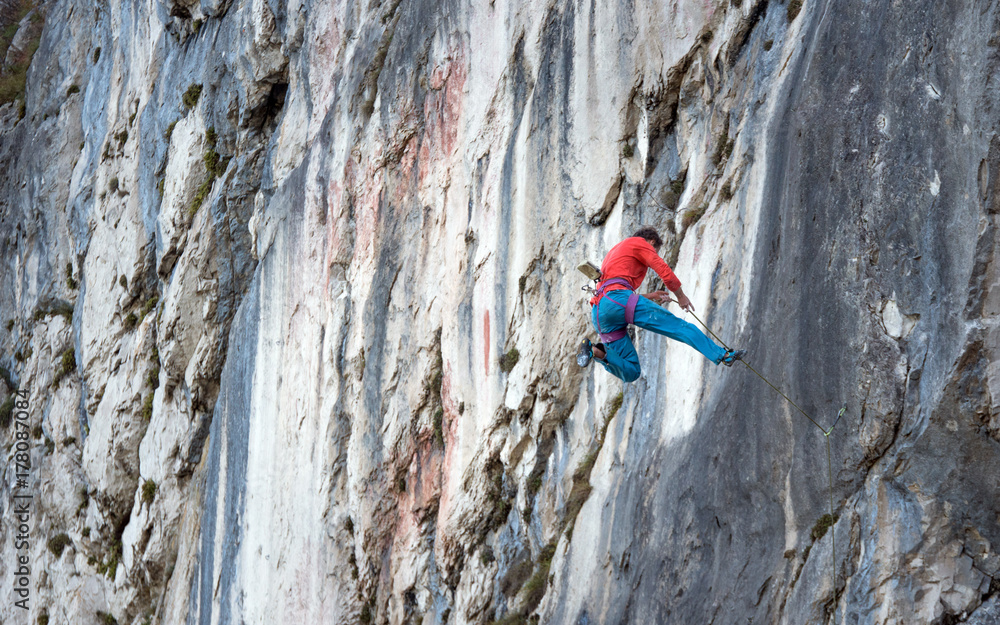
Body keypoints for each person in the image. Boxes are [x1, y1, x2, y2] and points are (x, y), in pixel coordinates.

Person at [577, 226, 745, 383]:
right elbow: (663, 270)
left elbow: (613, 297)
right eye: (655, 250)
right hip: (618, 300)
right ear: (651, 242)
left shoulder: (614, 254)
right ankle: (723, 355)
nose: (654, 253)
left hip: (600, 313)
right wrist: (681, 296)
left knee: (632, 372)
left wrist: (651, 296)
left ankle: (595, 351)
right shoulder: (639, 243)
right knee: (680, 327)